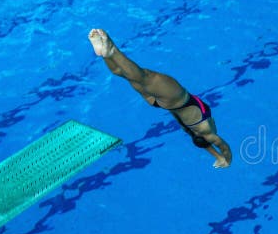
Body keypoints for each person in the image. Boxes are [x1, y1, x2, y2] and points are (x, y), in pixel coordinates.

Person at [88, 28, 232, 168]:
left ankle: (111, 49)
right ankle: (104, 53)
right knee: (125, 75)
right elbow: (207, 146)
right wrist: (219, 158)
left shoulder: (207, 132)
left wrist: (227, 160)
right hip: (159, 103)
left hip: (177, 99)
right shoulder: (193, 132)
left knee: (144, 76)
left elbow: (224, 147)